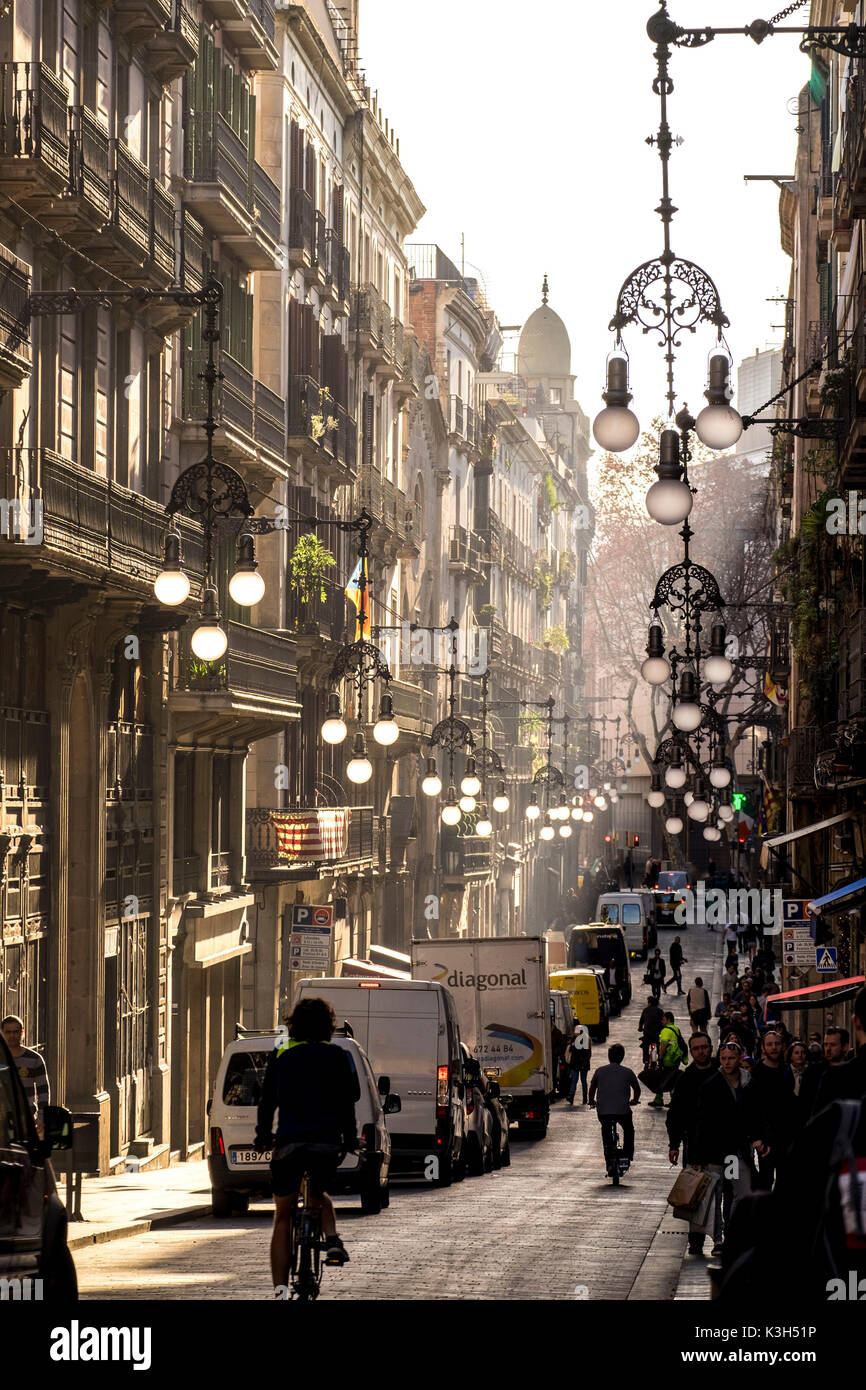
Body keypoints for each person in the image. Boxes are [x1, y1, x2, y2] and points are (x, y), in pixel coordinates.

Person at [255, 997, 360, 1288]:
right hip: (326, 1145)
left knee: (282, 1215)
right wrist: (350, 1139)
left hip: (289, 1144)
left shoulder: (282, 1053)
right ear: (328, 1026)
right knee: (317, 1195)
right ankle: (332, 1238)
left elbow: (267, 1102)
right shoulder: (338, 1056)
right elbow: (346, 1104)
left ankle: (280, 1291)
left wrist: (263, 1136)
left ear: (293, 1025)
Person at [691, 1039, 770, 1258]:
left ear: (740, 1058)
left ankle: (733, 1233)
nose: (727, 1062)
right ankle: (718, 1239)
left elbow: (755, 1115)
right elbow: (702, 1122)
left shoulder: (749, 1084)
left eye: (731, 1058)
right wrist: (698, 1155)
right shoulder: (711, 1085)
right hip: (715, 1151)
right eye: (724, 1058)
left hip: (735, 1152)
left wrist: (757, 1138)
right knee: (715, 1197)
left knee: (741, 1192)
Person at [666, 1032, 719, 1255]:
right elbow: (676, 1114)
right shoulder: (685, 1079)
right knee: (694, 1193)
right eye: (696, 1048)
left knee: (722, 1192)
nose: (701, 1051)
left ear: (710, 1048)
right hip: (694, 1145)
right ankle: (695, 1240)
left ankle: (720, 1239)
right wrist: (674, 1144)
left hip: (721, 1145)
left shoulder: (721, 1073)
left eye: (704, 1047)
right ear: (691, 1051)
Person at [750, 1028, 796, 1188]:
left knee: (785, 1183)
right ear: (763, 1047)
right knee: (765, 1182)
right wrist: (757, 1138)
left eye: (777, 1044)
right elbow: (752, 1108)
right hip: (765, 1141)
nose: (774, 1047)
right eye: (770, 1044)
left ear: (783, 1046)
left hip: (785, 1138)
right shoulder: (757, 1072)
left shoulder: (786, 1070)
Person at [588, 1042, 641, 1176]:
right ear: (622, 1057)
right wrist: (634, 1100)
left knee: (606, 1131)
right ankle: (627, 1154)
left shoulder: (600, 1071)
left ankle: (608, 1158)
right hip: (622, 1111)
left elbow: (592, 1087)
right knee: (629, 1130)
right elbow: (637, 1089)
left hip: (603, 1111)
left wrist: (591, 1101)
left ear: (609, 1057)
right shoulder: (628, 1072)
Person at [0, 1014, 50, 1132]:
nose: (12, 1035)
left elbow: (43, 1091)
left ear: (21, 1033)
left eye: (15, 1032)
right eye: (8, 1032)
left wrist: (42, 1117)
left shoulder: (35, 1059)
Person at [650, 1010, 688, 1107]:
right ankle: (660, 1099)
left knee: (664, 1079)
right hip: (676, 1059)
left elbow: (663, 1045)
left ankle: (667, 1100)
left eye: (663, 1019)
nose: (662, 1021)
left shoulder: (666, 1030)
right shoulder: (676, 1029)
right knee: (669, 1079)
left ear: (668, 1019)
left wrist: (660, 1058)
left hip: (668, 1060)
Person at [565, 1026, 592, 1105]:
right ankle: (571, 1097)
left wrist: (584, 1063)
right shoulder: (574, 1039)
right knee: (574, 1080)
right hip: (575, 1064)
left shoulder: (586, 1040)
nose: (574, 1033)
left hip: (583, 1064)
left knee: (583, 1081)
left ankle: (584, 1098)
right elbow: (571, 1050)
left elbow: (588, 1054)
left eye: (576, 1032)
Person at [638, 995, 665, 1065]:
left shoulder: (646, 1010)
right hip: (657, 1033)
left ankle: (646, 1060)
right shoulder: (660, 1011)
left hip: (647, 1033)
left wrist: (640, 1028)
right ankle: (656, 1059)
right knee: (656, 1046)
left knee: (645, 1046)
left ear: (649, 1003)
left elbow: (641, 1021)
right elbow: (663, 1021)